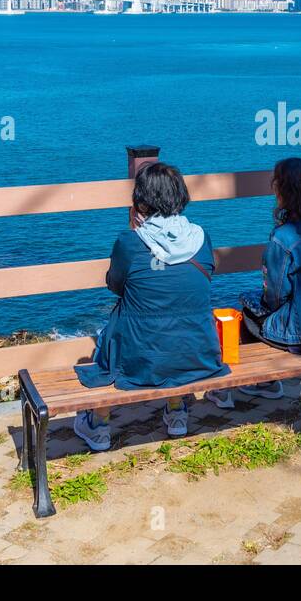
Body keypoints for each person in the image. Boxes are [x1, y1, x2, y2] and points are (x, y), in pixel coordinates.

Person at [72, 162, 228, 451]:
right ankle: (178, 413)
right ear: (180, 195)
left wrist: (135, 235)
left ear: (140, 200)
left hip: (141, 359)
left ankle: (99, 426)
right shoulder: (201, 237)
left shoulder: (130, 242)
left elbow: (115, 285)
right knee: (174, 318)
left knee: (112, 331)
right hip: (195, 352)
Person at [209, 157, 301, 406]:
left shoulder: (284, 237)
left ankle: (250, 382)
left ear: (284, 191)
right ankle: (262, 384)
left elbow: (275, 297)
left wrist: (252, 302)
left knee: (245, 311)